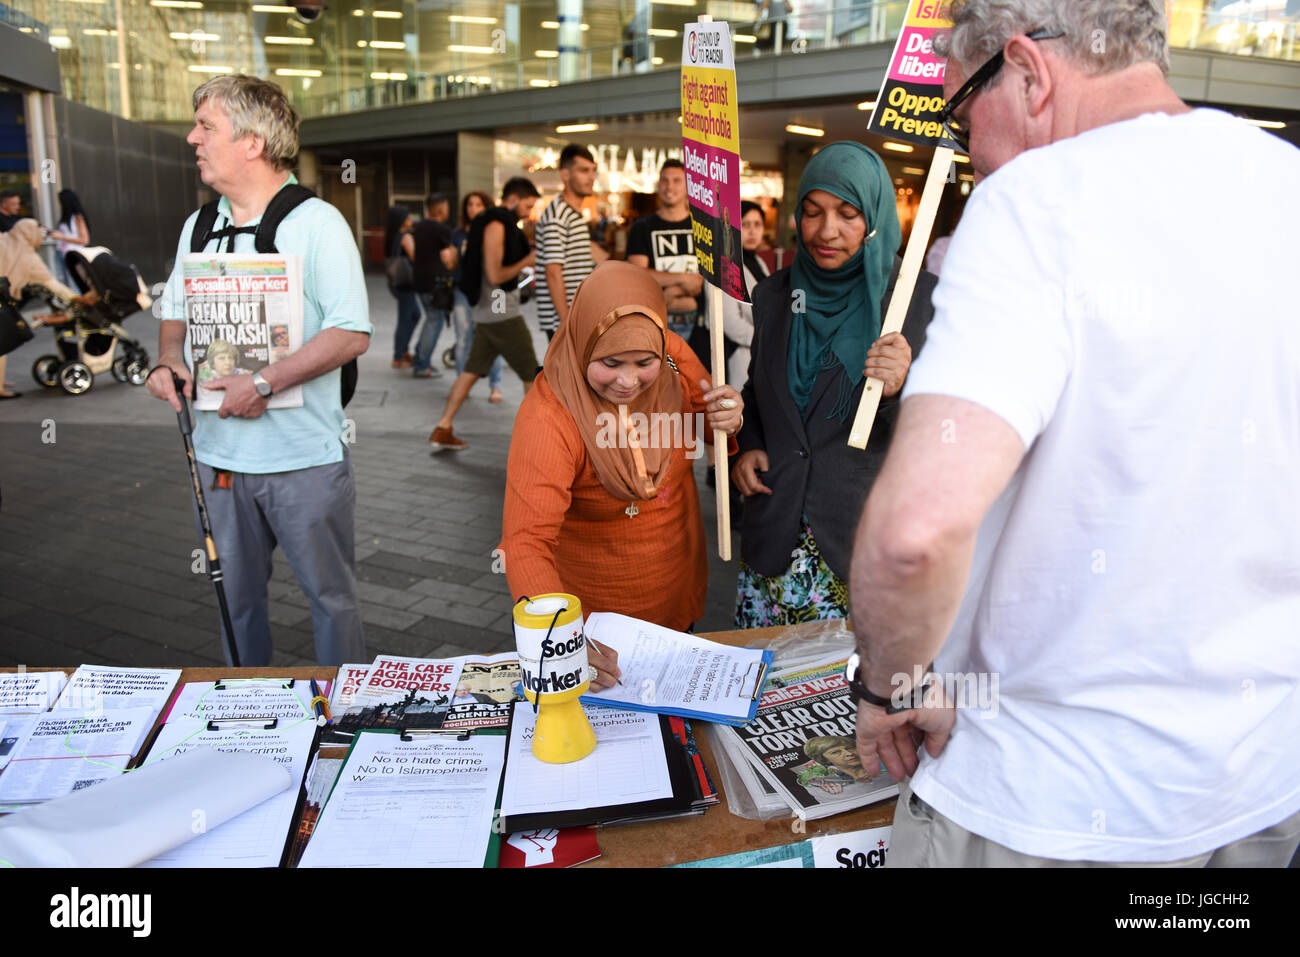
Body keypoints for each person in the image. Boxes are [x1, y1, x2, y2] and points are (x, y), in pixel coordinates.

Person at [848, 0, 1300, 868]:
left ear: (1027, 69)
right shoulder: (1285, 182)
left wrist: (889, 682)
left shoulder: (1035, 201)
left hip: (1039, 806)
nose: (967, 147)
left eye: (958, 111)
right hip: (1257, 796)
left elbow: (915, 533)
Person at [146, 74, 371, 668]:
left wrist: (264, 383)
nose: (193, 138)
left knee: (331, 601)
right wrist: (169, 359)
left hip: (304, 460)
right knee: (234, 603)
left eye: (206, 126)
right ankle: (247, 714)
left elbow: (350, 332)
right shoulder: (197, 227)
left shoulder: (318, 224)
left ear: (251, 142)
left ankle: (344, 712)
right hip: (218, 457)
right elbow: (174, 316)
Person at [500, 261, 743, 670]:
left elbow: (708, 417)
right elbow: (525, 543)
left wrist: (729, 416)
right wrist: (564, 640)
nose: (628, 381)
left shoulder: (671, 359)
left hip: (675, 595)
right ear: (582, 346)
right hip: (594, 626)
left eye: (642, 362)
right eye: (610, 364)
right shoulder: (549, 416)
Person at [730, 141, 934, 629]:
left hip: (864, 548)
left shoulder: (913, 298)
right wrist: (751, 445)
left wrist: (901, 389)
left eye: (848, 214)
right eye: (813, 212)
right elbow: (759, 392)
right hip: (774, 545)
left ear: (875, 219)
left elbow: (947, 429)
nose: (827, 231)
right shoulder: (775, 295)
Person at [428, 176, 539, 451]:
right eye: (528, 205)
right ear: (514, 199)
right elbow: (495, 274)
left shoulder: (503, 223)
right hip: (500, 311)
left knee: (469, 372)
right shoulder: (496, 224)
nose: (530, 212)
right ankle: (534, 442)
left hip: (491, 313)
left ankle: (443, 428)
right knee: (532, 375)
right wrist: (527, 261)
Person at [626, 160, 709, 368]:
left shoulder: (702, 226)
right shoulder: (642, 227)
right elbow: (637, 275)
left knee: (696, 390)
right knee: (661, 391)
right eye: (664, 180)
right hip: (657, 325)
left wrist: (669, 291)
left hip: (699, 324)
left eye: (676, 181)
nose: (669, 186)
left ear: (688, 186)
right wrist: (683, 279)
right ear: (657, 185)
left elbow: (705, 280)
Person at [0, 218, 87, 399]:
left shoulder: (3, 240)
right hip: (2, 303)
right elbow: (52, 285)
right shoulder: (29, 258)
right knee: (2, 343)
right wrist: (80, 299)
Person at [534, 144, 597, 341]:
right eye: (583, 170)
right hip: (563, 321)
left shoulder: (572, 214)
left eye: (593, 170)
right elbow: (553, 272)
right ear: (565, 174)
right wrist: (566, 321)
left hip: (577, 316)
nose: (591, 177)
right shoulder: (557, 215)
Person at [450, 190, 504, 402]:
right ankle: (462, 386)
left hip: (489, 292)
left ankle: (496, 385)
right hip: (463, 291)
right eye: (470, 205)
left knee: (493, 339)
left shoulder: (493, 231)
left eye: (478, 205)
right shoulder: (458, 234)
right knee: (463, 338)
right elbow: (454, 264)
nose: (473, 209)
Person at [718, 200, 771, 391]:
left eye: (757, 225)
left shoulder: (757, 261)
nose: (752, 231)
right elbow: (729, 322)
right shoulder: (726, 263)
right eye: (745, 224)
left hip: (758, 352)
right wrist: (765, 338)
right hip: (739, 354)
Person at [409, 192, 459, 379]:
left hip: (420, 281)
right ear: (440, 208)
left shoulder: (419, 226)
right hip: (434, 284)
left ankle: (419, 357)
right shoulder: (440, 229)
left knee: (430, 318)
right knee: (434, 321)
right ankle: (422, 363)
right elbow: (450, 257)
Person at [385, 205, 421, 370]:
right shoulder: (405, 237)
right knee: (407, 317)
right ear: (401, 220)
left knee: (413, 315)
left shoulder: (392, 236)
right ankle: (398, 356)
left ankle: (403, 350)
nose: (410, 220)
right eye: (407, 217)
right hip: (406, 282)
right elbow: (415, 258)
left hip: (396, 281)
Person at [49, 189, 91, 288]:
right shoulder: (65, 218)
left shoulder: (77, 218)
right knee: (64, 282)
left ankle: (80, 303)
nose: (59, 204)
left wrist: (62, 237)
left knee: (74, 284)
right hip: (61, 253)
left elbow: (84, 240)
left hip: (73, 255)